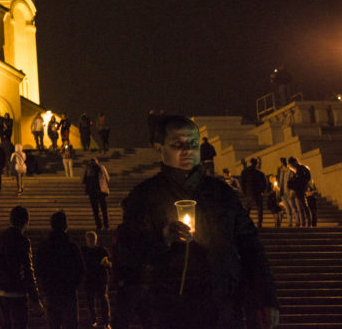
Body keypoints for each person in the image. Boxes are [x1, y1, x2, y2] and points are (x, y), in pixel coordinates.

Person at [114, 115, 279, 328]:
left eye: (193, 143)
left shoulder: (222, 194)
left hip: (221, 307)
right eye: (177, 144)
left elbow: (251, 248)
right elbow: (128, 254)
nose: (187, 150)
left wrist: (265, 299)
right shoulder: (143, 197)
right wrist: (162, 238)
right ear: (159, 147)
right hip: (166, 311)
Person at [0, 205, 41, 329]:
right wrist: (34, 297)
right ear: (25, 222)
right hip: (17, 291)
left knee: (6, 324)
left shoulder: (1, 237)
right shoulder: (22, 240)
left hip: (2, 290)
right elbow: (27, 268)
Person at [35, 210, 83, 329]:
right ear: (66, 226)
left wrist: (44, 285)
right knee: (71, 325)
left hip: (50, 292)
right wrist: (72, 285)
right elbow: (81, 270)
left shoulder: (43, 247)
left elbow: (38, 268)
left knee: (53, 325)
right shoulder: (72, 247)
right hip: (68, 292)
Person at [81, 230, 112, 329]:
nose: (91, 242)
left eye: (92, 240)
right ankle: (94, 320)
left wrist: (107, 264)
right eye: (89, 240)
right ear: (86, 240)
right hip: (90, 279)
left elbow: (110, 263)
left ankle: (105, 321)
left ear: (96, 240)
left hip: (100, 279)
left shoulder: (102, 251)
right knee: (91, 301)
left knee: (103, 300)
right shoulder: (84, 251)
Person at [82, 156, 111, 230]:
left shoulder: (87, 168)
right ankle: (106, 224)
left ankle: (99, 225)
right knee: (104, 209)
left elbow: (83, 180)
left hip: (92, 191)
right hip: (102, 191)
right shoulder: (102, 167)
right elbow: (107, 178)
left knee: (95, 210)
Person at [240, 157, 267, 228]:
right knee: (259, 208)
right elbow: (265, 183)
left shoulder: (245, 171)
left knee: (248, 208)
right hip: (258, 192)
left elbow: (242, 182)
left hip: (249, 192)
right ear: (257, 163)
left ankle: (246, 223)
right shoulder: (260, 172)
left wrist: (244, 191)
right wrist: (262, 191)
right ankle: (259, 223)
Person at [286, 156, 312, 227]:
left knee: (303, 205)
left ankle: (307, 222)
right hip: (300, 189)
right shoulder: (302, 168)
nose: (291, 166)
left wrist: (294, 182)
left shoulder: (300, 169)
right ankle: (306, 222)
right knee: (302, 205)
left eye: (291, 165)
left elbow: (301, 180)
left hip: (300, 189)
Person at [276, 157, 297, 227]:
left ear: (282, 163)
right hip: (283, 193)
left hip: (289, 192)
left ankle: (297, 221)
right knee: (287, 209)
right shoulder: (281, 171)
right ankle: (290, 222)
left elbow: (293, 182)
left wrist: (292, 190)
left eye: (280, 162)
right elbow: (280, 182)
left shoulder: (291, 171)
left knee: (293, 207)